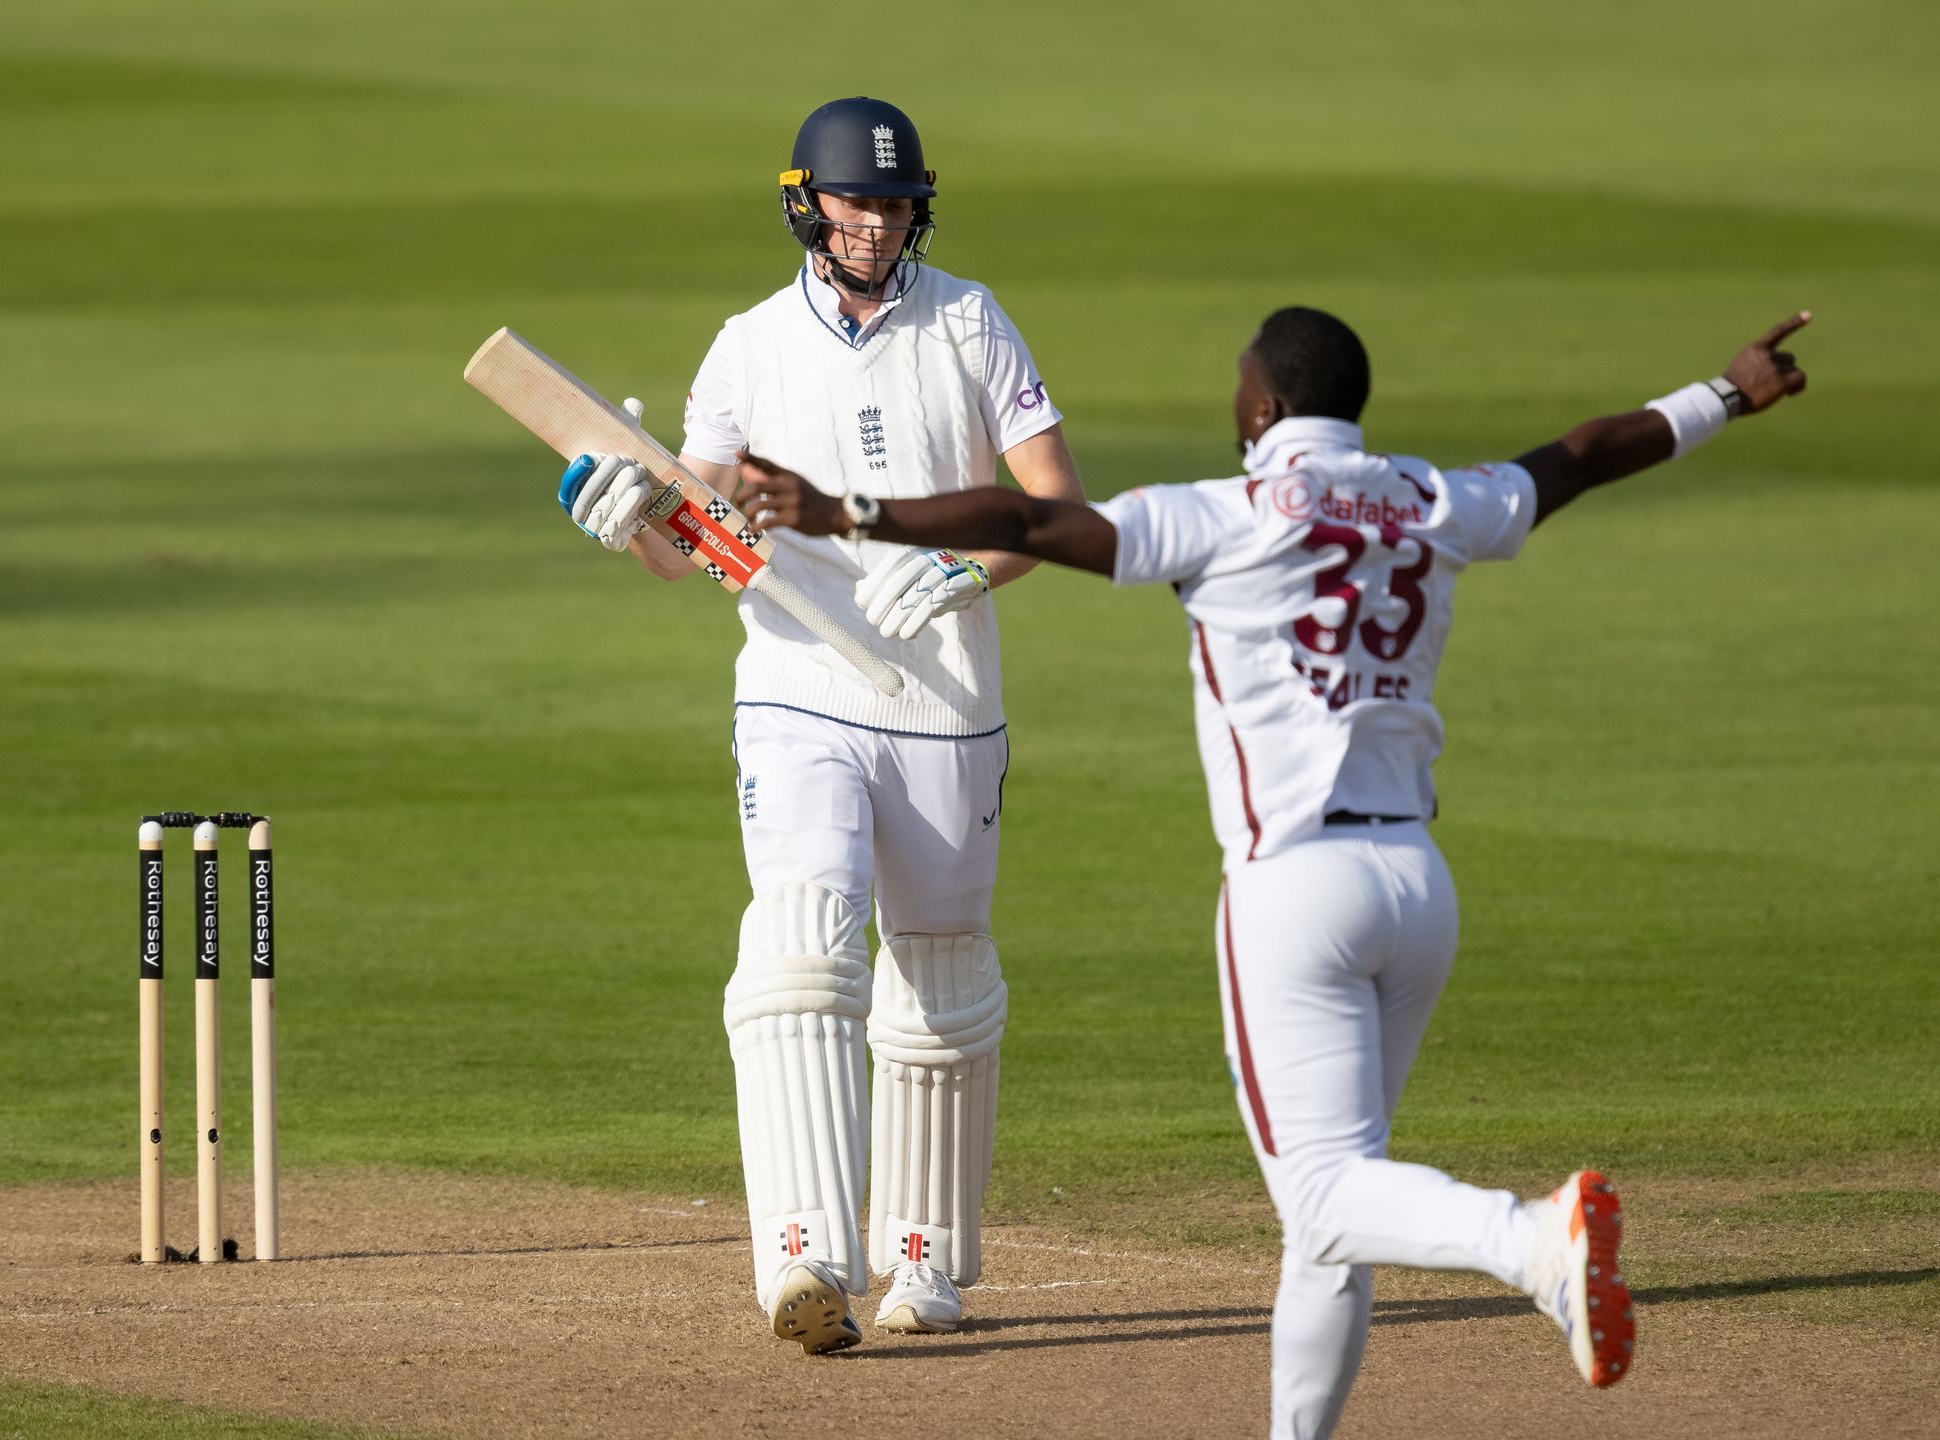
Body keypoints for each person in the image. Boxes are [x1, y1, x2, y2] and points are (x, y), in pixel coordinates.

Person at [741, 306, 1811, 1430]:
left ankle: (1537, 1243)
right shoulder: (1432, 499)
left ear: (1258, 408)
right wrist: (1726, 393)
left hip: (1294, 889)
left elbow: (1027, 516)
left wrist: (852, 510)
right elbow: (1584, 456)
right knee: (1332, 1219)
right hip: (1418, 884)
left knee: (1325, 1191)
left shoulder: (1222, 515)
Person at [551, 97, 1087, 1353]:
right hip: (795, 685)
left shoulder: (970, 316)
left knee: (942, 979)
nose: (880, 225)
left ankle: (926, 1266)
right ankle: (802, 1260)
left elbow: (1055, 508)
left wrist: (967, 569)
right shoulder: (744, 346)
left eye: (898, 205)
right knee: (800, 947)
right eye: (860, 204)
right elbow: (692, 549)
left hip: (946, 699)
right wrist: (629, 514)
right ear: (808, 204)